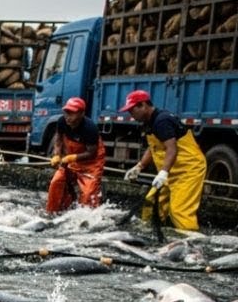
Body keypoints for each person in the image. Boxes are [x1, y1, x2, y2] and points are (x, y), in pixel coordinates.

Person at [122, 89, 207, 231]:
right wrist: (139, 166)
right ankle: (150, 232)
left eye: (132, 110)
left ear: (143, 105)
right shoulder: (149, 122)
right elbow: (154, 147)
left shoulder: (162, 120)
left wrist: (163, 173)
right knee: (151, 202)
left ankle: (192, 240)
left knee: (179, 211)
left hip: (188, 170)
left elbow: (172, 149)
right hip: (172, 170)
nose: (131, 115)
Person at [46, 97, 106, 214]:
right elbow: (58, 139)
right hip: (70, 159)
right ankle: (53, 212)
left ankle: (88, 216)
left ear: (82, 114)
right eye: (66, 112)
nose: (68, 116)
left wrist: (72, 158)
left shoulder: (90, 128)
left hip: (91, 163)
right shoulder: (62, 121)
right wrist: (56, 154)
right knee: (56, 182)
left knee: (88, 193)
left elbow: (91, 152)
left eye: (72, 113)